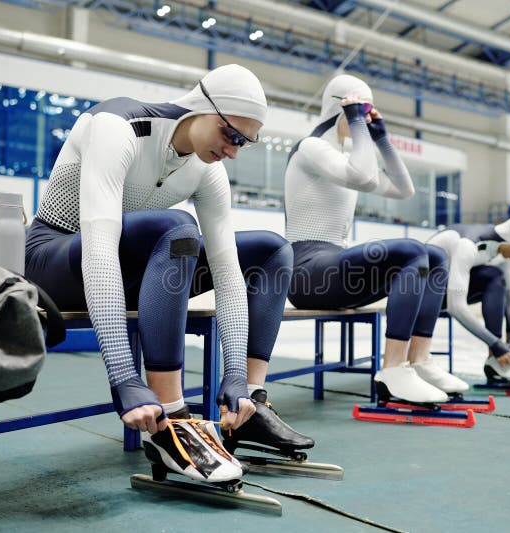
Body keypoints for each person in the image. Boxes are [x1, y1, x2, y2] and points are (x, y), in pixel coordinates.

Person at [25, 64, 311, 485]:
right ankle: (170, 420)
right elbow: (100, 251)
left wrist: (235, 373)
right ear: (203, 107)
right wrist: (124, 376)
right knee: (177, 228)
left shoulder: (208, 169)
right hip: (57, 260)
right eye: (231, 135)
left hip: (136, 268)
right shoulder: (116, 127)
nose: (233, 151)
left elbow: (228, 274)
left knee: (272, 250)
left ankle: (249, 405)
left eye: (244, 143)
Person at [284, 74, 467, 404]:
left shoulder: (343, 158)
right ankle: (392, 370)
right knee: (411, 251)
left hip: (331, 267)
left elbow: (404, 190)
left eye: (368, 113)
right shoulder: (310, 148)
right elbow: (365, 178)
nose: (365, 119)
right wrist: (357, 123)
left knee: (437, 256)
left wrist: (382, 140)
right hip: (306, 273)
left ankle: (419, 360)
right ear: (340, 107)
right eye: (362, 111)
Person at [427, 214, 510, 383]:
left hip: (448, 286)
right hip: (426, 294)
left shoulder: (503, 246)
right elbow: (455, 307)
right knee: (495, 277)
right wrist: (494, 343)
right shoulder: (468, 245)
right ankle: (496, 357)